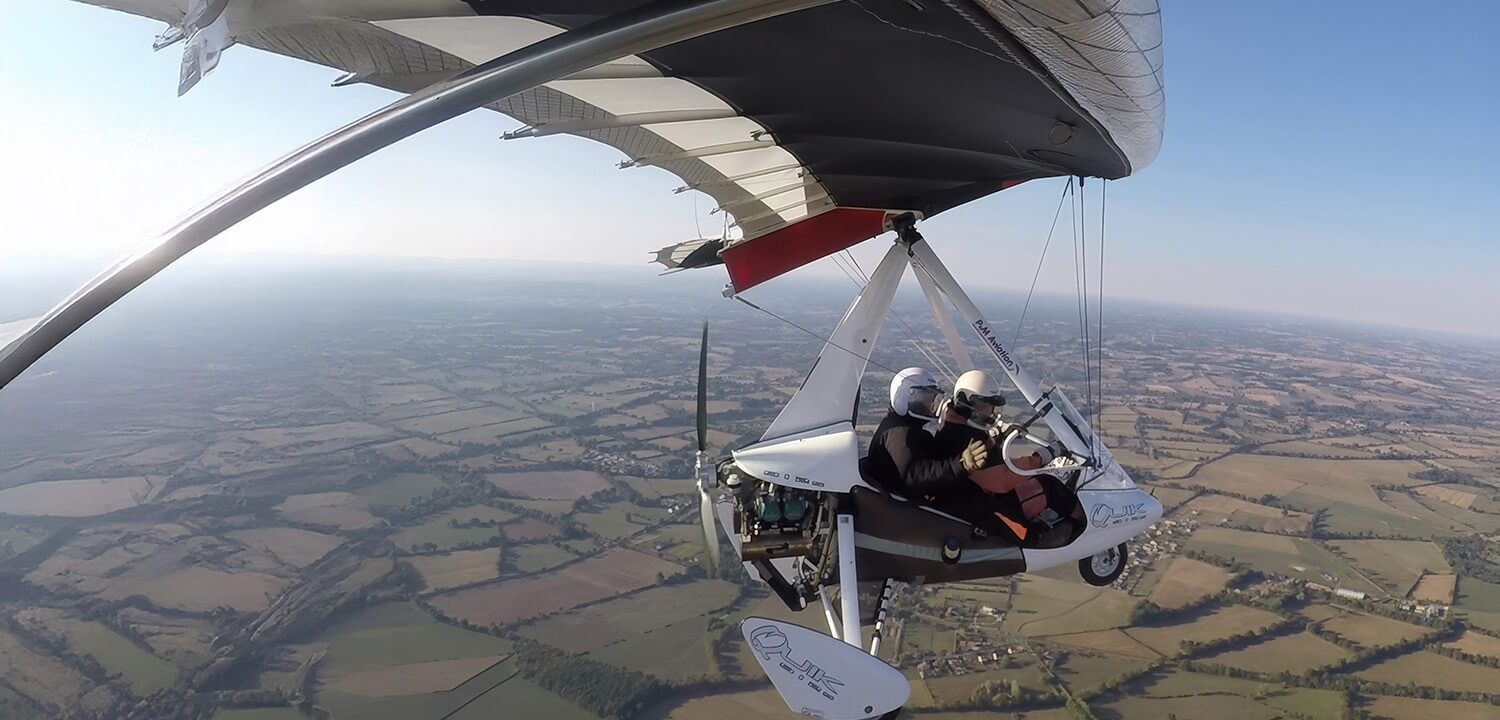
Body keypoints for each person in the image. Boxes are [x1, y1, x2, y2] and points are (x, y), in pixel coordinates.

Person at [933, 370, 1083, 548]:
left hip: (984, 493)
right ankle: (1056, 534)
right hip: (976, 503)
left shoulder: (961, 429)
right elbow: (1001, 480)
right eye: (985, 405)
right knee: (1049, 490)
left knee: (1047, 483)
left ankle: (1076, 524)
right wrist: (1041, 457)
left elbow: (989, 458)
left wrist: (998, 438)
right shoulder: (958, 437)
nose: (990, 412)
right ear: (967, 404)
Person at [864, 367, 990, 499]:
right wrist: (961, 465)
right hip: (908, 513)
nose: (932, 404)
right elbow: (915, 477)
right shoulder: (900, 433)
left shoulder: (901, 427)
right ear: (909, 396)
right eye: (929, 398)